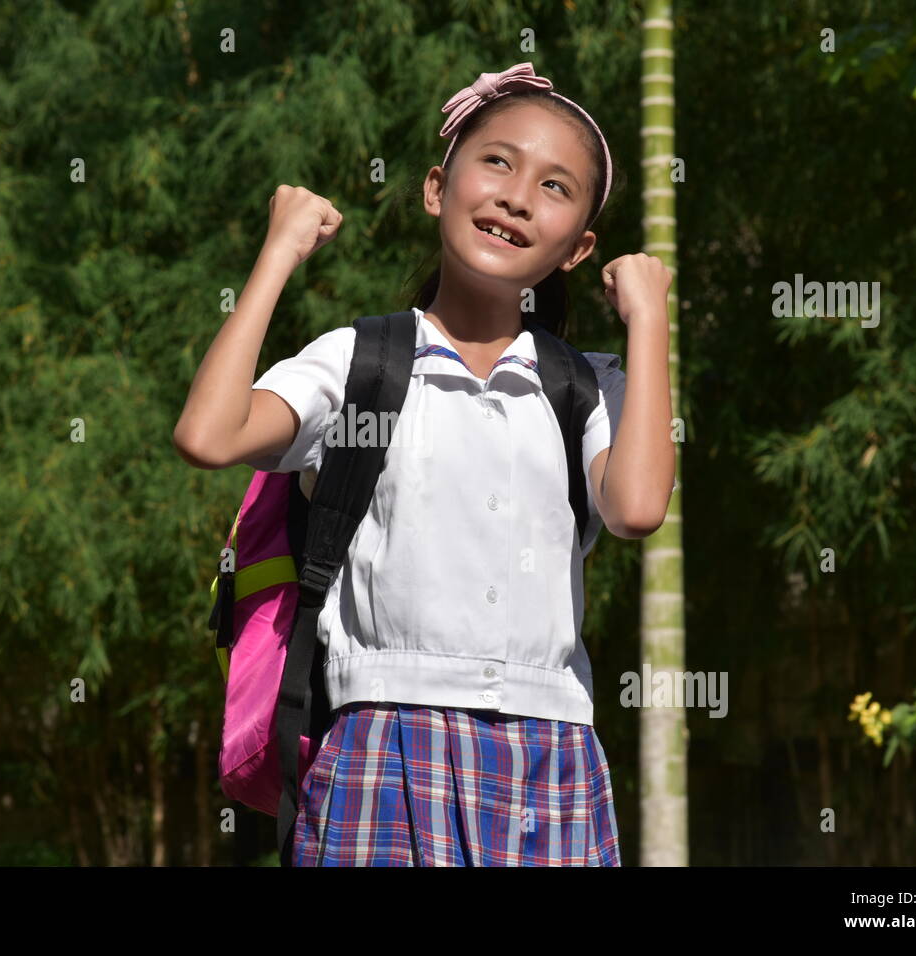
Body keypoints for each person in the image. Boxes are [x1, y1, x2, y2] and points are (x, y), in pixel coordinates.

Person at [173, 62, 676, 865]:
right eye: (499, 162)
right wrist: (279, 253)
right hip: (379, 743)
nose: (517, 196)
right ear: (437, 187)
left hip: (551, 754)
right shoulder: (360, 362)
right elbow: (209, 434)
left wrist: (650, 320)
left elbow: (637, 507)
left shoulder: (588, 386)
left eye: (555, 186)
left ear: (579, 248)